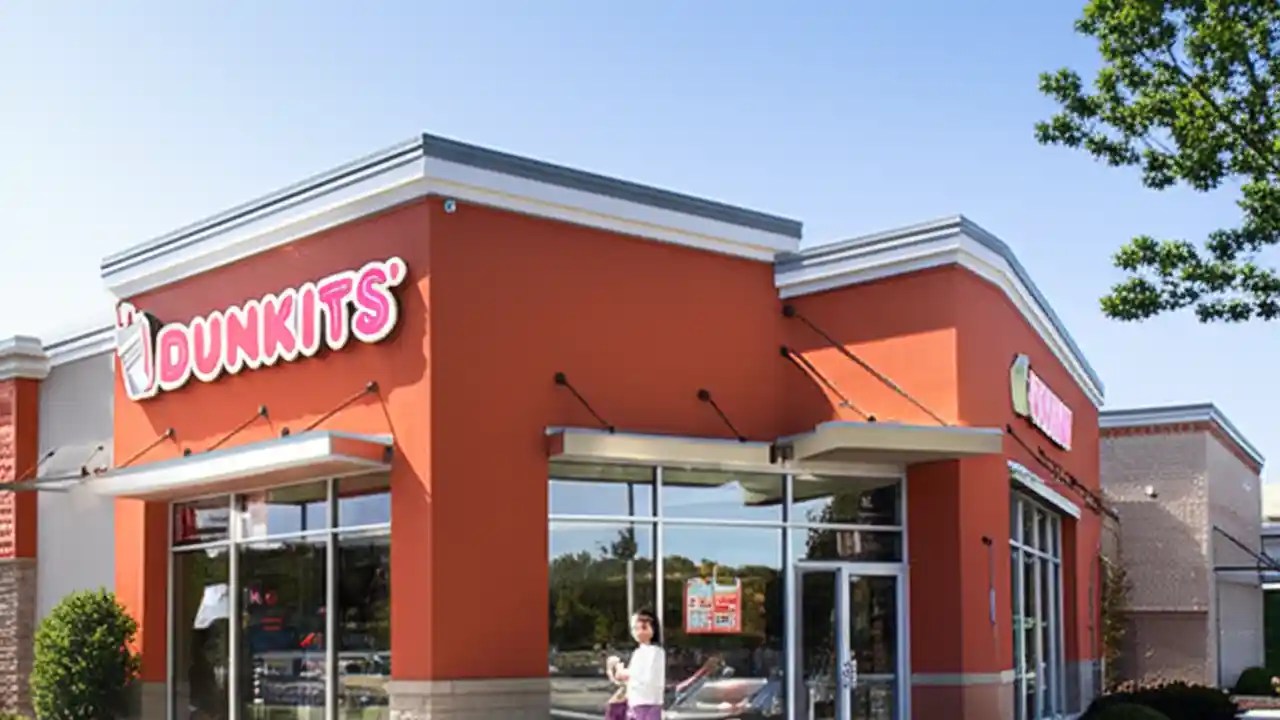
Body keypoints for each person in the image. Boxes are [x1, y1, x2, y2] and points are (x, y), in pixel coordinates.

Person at [608, 609, 666, 720]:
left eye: (644, 627)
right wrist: (619, 673)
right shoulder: (638, 652)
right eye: (634, 628)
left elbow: (647, 677)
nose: (638, 632)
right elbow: (632, 677)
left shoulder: (656, 651)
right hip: (635, 702)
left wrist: (625, 673)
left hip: (648, 702)